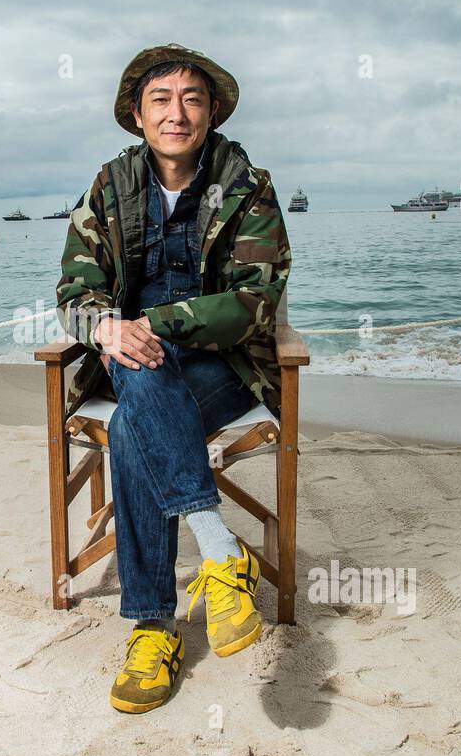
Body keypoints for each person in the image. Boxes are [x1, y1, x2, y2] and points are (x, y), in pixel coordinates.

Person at [54, 42, 293, 713]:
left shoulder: (247, 186)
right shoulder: (109, 186)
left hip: (223, 365)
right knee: (138, 384)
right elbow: (75, 286)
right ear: (137, 115)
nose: (176, 113)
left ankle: (153, 626)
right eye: (161, 100)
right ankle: (220, 553)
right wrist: (105, 326)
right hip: (133, 362)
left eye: (191, 99)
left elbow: (254, 301)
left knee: (134, 421)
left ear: (211, 112)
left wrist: (152, 327)